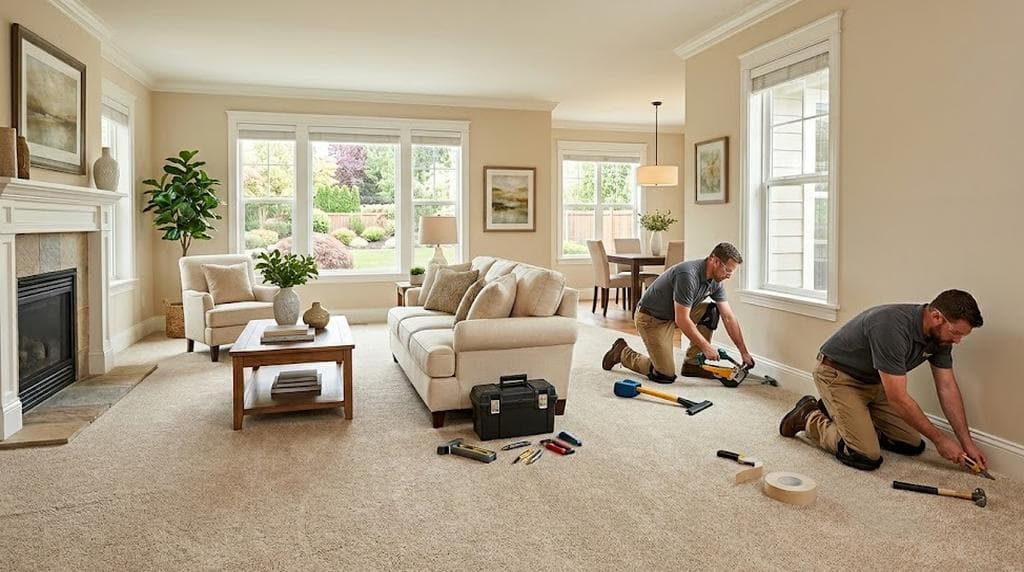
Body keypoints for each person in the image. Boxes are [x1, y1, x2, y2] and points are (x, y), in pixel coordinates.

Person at [779, 289, 987, 473]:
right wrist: (940, 440)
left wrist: (967, 444)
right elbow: (897, 398)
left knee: (912, 444)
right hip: (838, 376)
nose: (957, 341)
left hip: (874, 383)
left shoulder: (940, 337)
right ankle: (808, 415)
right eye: (956, 333)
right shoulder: (891, 326)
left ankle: (850, 418)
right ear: (936, 317)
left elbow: (947, 387)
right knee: (865, 455)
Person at [601, 242, 753, 383]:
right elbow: (682, 320)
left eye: (732, 272)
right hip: (651, 319)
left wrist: (744, 352)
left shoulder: (715, 282)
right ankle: (622, 352)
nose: (729, 275)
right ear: (715, 261)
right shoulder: (688, 275)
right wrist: (706, 347)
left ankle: (692, 364)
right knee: (664, 375)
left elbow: (728, 317)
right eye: (728, 270)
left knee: (711, 311)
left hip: (673, 315)